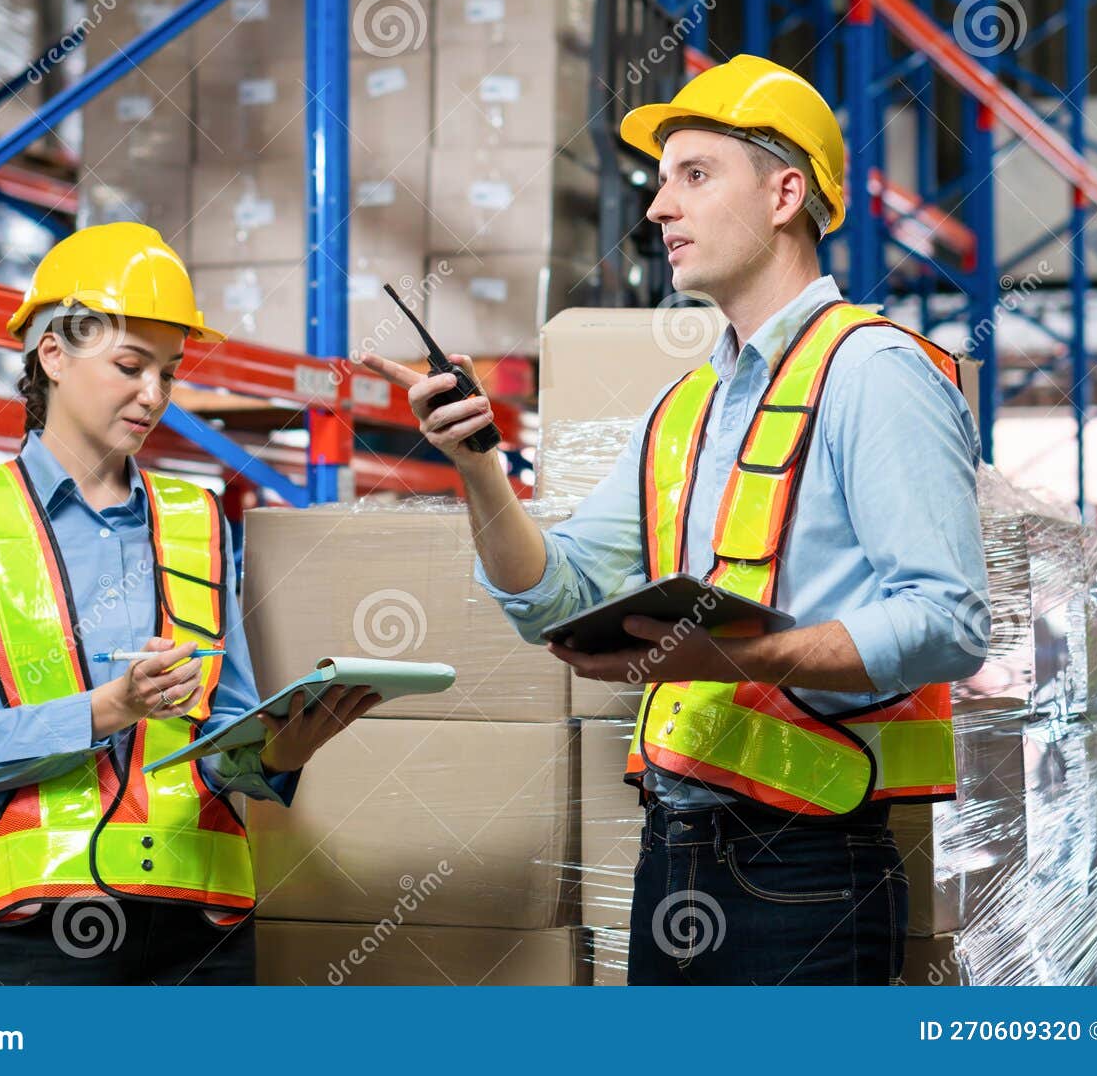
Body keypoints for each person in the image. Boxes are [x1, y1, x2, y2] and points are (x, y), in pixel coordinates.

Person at [365, 54, 988, 985]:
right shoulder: (684, 409)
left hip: (807, 869)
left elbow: (950, 623)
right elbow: (553, 596)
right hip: (674, 857)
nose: (659, 208)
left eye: (695, 176)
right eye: (661, 182)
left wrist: (738, 658)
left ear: (786, 194)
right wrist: (479, 468)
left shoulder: (874, 373)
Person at [0, 223, 378, 985]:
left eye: (170, 371)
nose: (154, 395)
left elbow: (226, 737)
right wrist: (107, 710)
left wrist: (278, 754)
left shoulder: (197, 519)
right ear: (52, 355)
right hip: (43, 931)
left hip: (203, 928)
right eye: (130, 366)